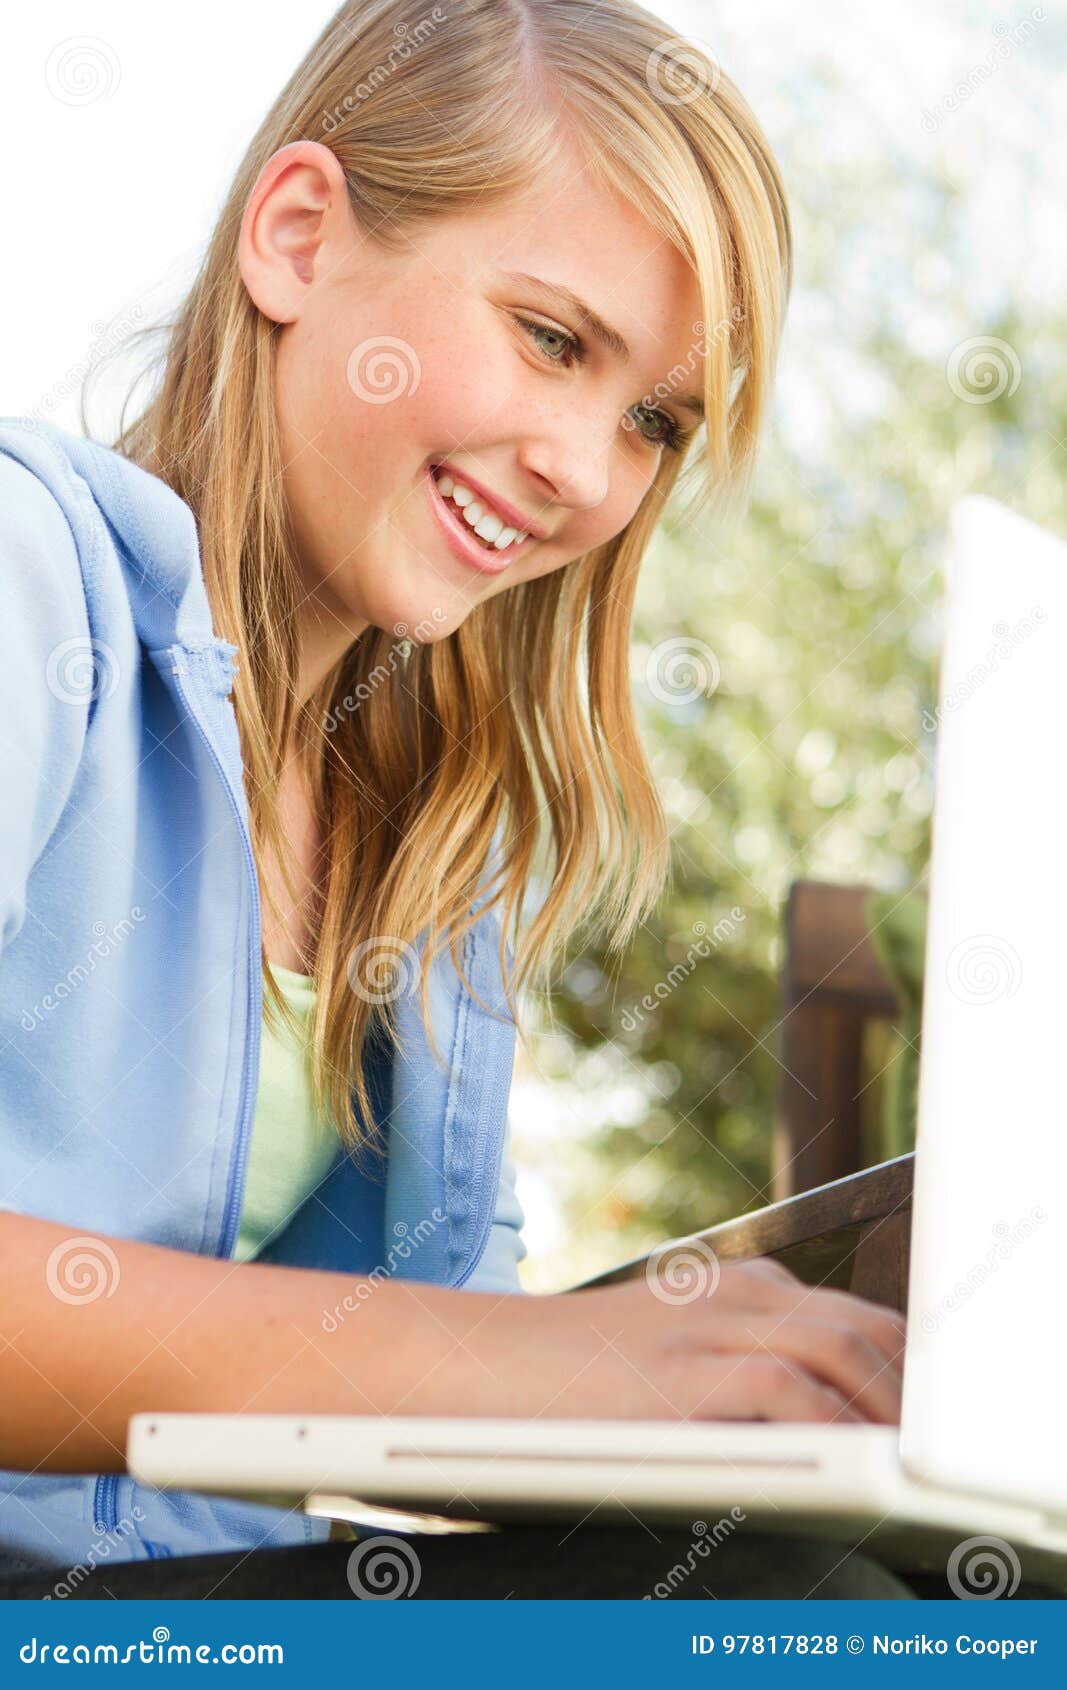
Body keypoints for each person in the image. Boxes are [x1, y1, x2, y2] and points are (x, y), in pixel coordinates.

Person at [0, 0, 913, 1597]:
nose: (585, 464)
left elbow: (423, 1399)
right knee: (806, 1614)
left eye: (653, 420)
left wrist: (744, 1394)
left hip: (187, 1607)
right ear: (295, 240)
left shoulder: (438, 852)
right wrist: (505, 1364)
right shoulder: (33, 589)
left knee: (963, 1584)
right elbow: (413, 1364)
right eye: (554, 338)